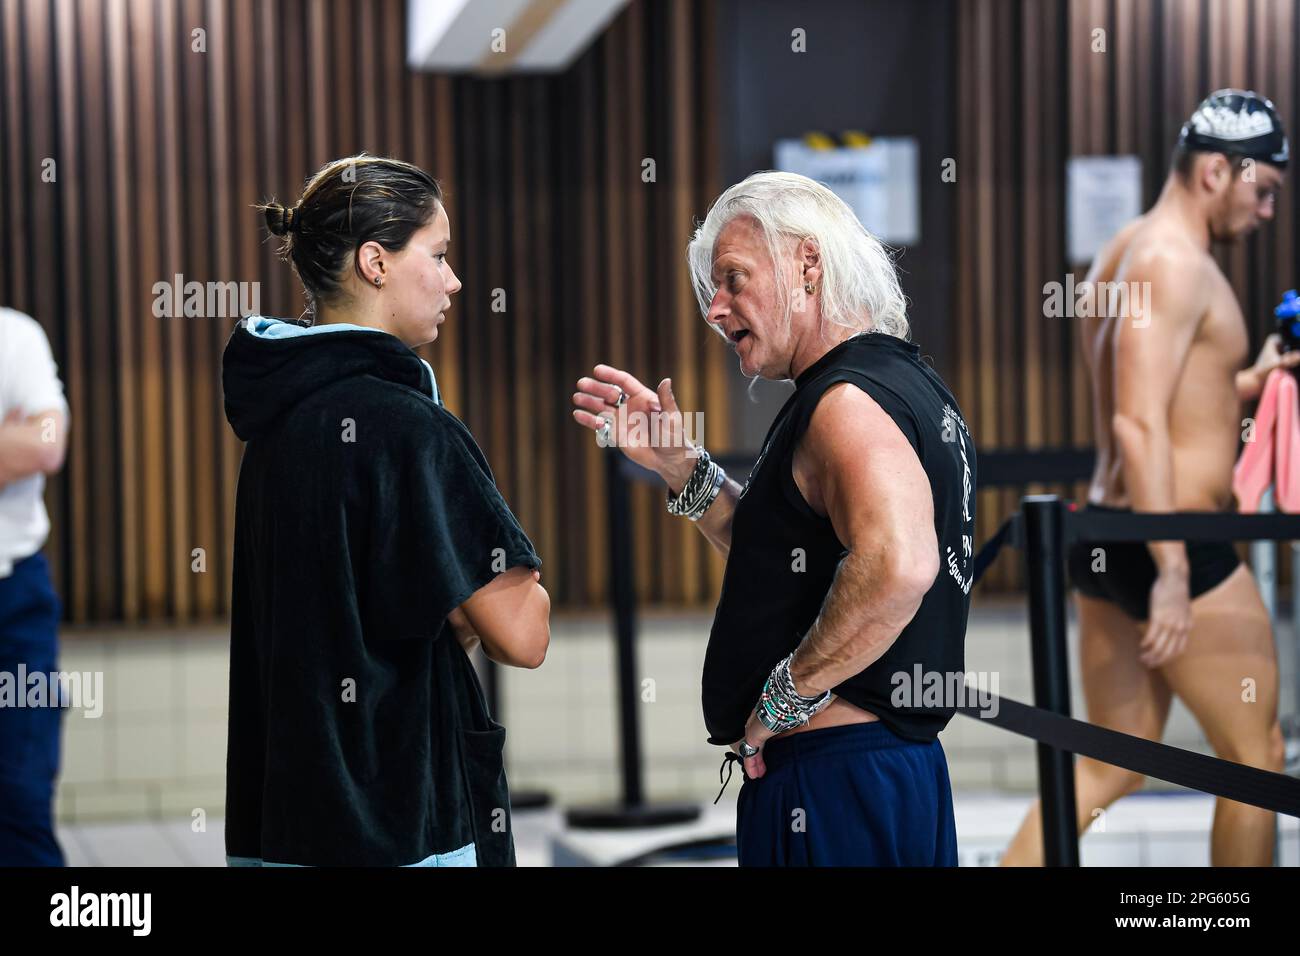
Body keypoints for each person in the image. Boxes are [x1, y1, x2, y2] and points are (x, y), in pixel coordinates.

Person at [572, 171, 976, 865]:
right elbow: (790, 560)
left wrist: (783, 701)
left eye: (733, 279)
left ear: (807, 264)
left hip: (835, 778)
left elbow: (901, 566)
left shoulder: (845, 403)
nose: (715, 309)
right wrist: (685, 472)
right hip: (875, 774)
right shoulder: (900, 385)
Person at [222, 155, 550, 867]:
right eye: (437, 254)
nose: (454, 280)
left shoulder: (275, 426)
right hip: (405, 829)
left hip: (283, 827)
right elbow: (523, 635)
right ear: (375, 262)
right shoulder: (411, 428)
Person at [1003, 90, 1300, 866]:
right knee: (1256, 758)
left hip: (1110, 533)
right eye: (1261, 191)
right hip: (1171, 541)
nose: (1266, 212)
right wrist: (1172, 569)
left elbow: (1158, 399)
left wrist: (1249, 381)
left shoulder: (1123, 250)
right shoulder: (1174, 263)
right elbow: (1137, 423)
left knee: (1109, 762)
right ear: (1214, 170)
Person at [0, 306, 70, 866]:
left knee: (19, 798)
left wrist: (26, 438)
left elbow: (46, 444)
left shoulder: (14, 335)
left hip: (14, 602)